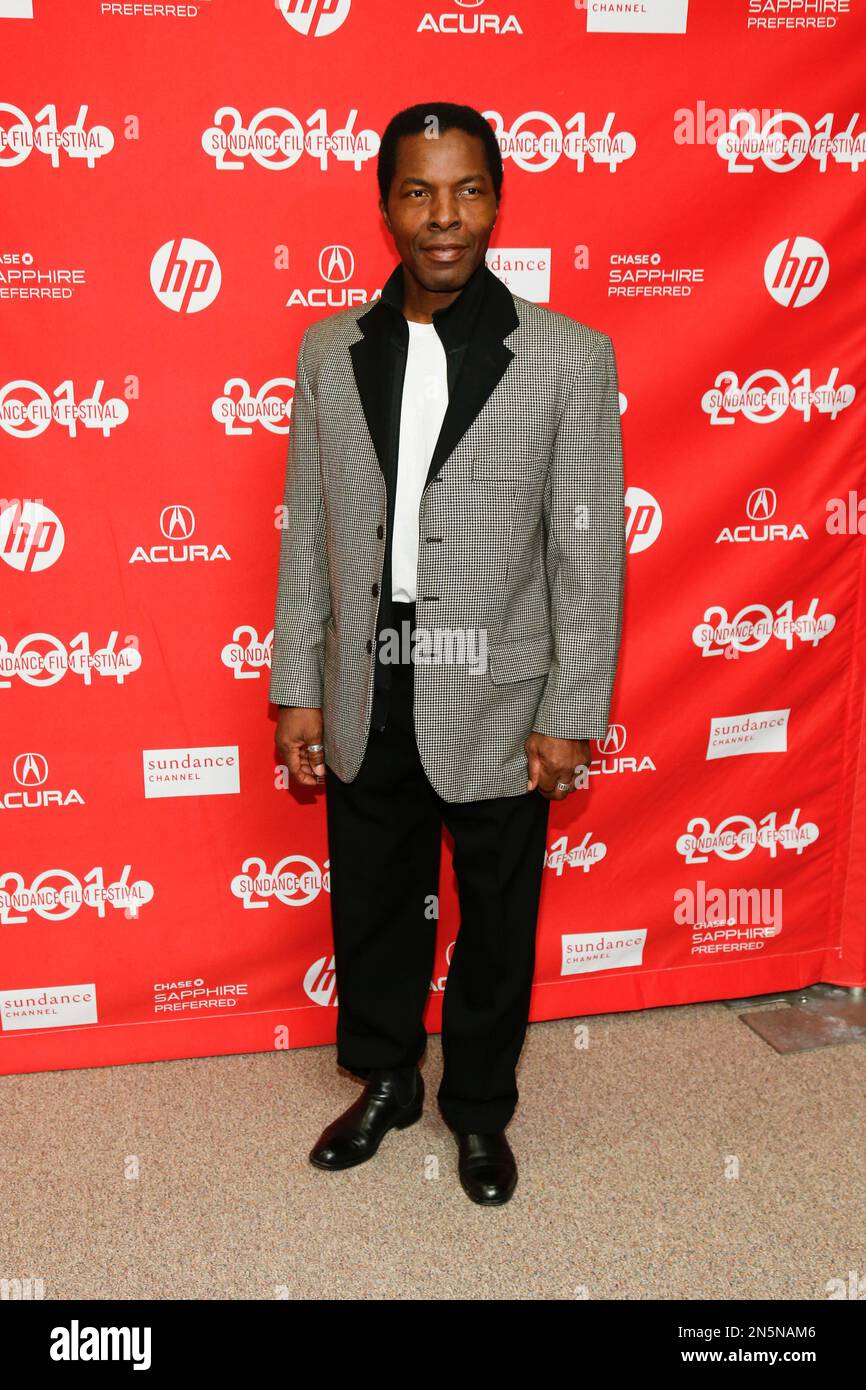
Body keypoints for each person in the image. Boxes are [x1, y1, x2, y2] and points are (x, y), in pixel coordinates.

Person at [269, 101, 625, 1205]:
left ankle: (477, 1107)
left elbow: (587, 555)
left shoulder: (566, 356)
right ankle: (384, 1080)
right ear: (383, 206)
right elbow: (311, 534)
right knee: (371, 898)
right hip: (367, 671)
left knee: (495, 915)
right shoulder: (329, 351)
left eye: (467, 190)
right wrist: (297, 683)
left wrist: (568, 708)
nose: (444, 216)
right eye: (419, 190)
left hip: (498, 682)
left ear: (496, 202)